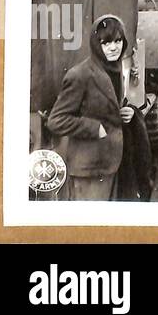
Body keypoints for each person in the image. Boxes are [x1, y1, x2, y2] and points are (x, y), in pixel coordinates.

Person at [45, 14, 137, 201]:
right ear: (97, 45)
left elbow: (108, 106)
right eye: (106, 42)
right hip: (89, 170)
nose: (113, 47)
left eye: (118, 41)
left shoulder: (116, 69)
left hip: (113, 162)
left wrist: (126, 112)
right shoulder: (80, 75)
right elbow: (56, 121)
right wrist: (94, 128)